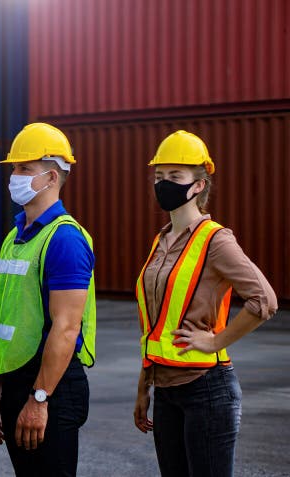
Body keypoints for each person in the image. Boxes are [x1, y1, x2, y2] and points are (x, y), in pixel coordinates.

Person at [133, 130, 278, 477]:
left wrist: (215, 341)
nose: (163, 184)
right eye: (159, 176)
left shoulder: (215, 240)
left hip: (207, 390)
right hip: (165, 391)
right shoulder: (162, 239)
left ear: (198, 185)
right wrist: (144, 388)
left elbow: (265, 300)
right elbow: (158, 324)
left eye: (174, 177)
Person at [0, 123, 96, 477]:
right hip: (18, 383)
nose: (14, 176)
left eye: (24, 168)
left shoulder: (64, 239)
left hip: (52, 389)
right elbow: (8, 318)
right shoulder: (16, 237)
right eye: (14, 168)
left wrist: (39, 399)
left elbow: (65, 328)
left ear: (51, 176)